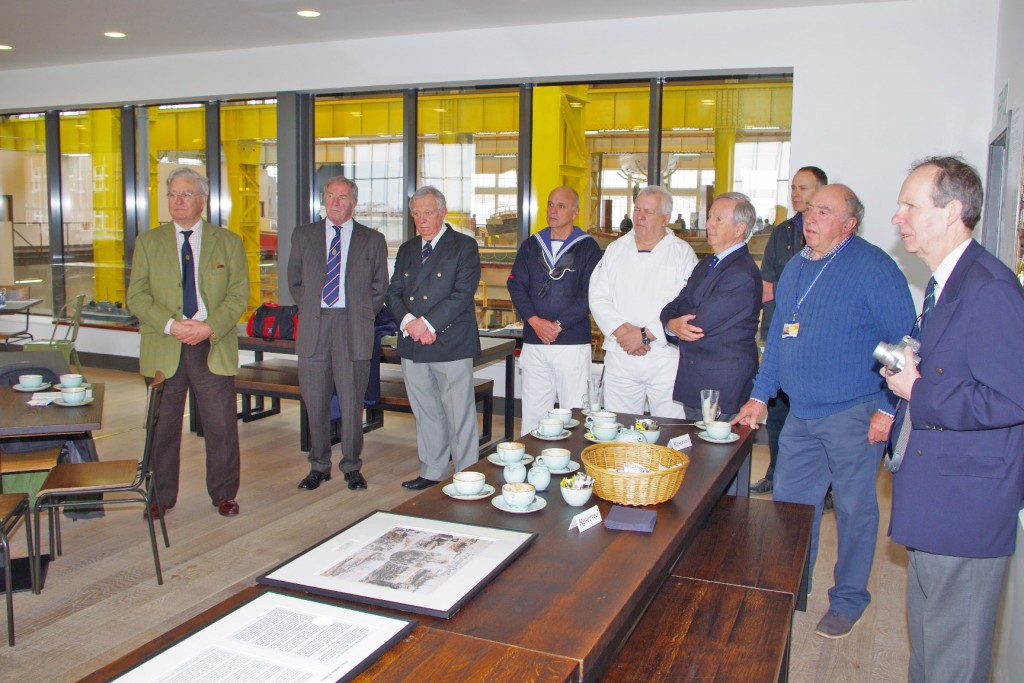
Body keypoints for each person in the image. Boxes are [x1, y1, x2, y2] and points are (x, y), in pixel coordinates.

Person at [733, 183, 914, 639]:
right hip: (801, 413)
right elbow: (778, 338)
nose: (811, 218)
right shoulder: (795, 267)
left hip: (855, 412)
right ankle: (792, 591)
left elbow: (905, 347)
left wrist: (889, 409)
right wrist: (760, 393)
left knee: (854, 510)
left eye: (825, 211)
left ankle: (849, 600)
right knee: (790, 509)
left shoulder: (874, 268)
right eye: (810, 209)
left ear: (849, 224)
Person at [884, 156, 1024, 683]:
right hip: (938, 500)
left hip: (965, 508)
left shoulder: (989, 289)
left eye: (910, 205)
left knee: (954, 662)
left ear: (952, 212)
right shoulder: (947, 282)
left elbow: (1011, 399)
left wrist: (919, 389)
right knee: (931, 651)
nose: (898, 217)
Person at [126, 167, 249, 518]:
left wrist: (209, 327)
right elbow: (137, 295)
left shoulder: (228, 242)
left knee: (221, 426)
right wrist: (170, 325)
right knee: (162, 427)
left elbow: (239, 294)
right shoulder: (149, 243)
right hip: (165, 348)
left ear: (202, 199)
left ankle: (224, 493)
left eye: (185, 194)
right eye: (172, 194)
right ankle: (161, 497)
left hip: (212, 346)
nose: (177, 201)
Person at [288, 176, 388, 491]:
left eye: (342, 197)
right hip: (314, 326)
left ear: (353, 202)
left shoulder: (372, 240)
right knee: (315, 402)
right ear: (324, 200)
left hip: (352, 327)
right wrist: (314, 309)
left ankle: (351, 466)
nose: (335, 202)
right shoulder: (303, 236)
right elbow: (295, 282)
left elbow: (379, 287)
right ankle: (319, 466)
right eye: (330, 196)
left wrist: (359, 314)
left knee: (351, 401)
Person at [385, 186, 481, 490]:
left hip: (450, 342)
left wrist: (427, 324)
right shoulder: (407, 249)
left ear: (443, 212)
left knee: (459, 414)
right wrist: (410, 323)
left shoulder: (464, 246)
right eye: (416, 213)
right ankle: (432, 470)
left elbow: (462, 294)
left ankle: (468, 475)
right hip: (413, 342)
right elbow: (393, 293)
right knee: (425, 411)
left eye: (428, 212)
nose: (422, 219)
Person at [751, 165, 828, 495]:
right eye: (794, 188)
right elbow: (767, 285)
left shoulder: (833, 236)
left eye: (805, 188)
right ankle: (775, 470)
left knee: (819, 419)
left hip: (816, 341)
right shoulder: (781, 233)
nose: (796, 194)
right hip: (779, 334)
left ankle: (825, 488)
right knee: (779, 411)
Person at [590, 185, 698, 418]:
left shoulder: (682, 253)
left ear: (666, 218)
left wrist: (646, 334)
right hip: (621, 353)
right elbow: (597, 296)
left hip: (665, 356)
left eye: (648, 212)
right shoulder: (615, 249)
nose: (640, 216)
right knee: (619, 428)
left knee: (670, 430)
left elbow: (687, 303)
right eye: (637, 209)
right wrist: (622, 332)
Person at [508, 187, 602, 436]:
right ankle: (533, 467)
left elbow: (591, 294)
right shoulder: (531, 245)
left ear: (575, 212)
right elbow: (516, 285)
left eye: (561, 206)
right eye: (550, 204)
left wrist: (558, 324)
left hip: (571, 344)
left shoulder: (588, 248)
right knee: (533, 414)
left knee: (576, 414)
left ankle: (574, 468)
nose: (553, 210)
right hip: (535, 341)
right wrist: (535, 322)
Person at [660, 192, 761, 421]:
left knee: (721, 456)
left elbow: (698, 323)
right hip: (695, 382)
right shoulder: (707, 263)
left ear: (739, 229)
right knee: (696, 455)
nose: (708, 224)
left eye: (718, 219)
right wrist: (670, 322)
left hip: (723, 387)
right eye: (710, 217)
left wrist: (676, 322)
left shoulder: (741, 273)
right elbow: (673, 306)